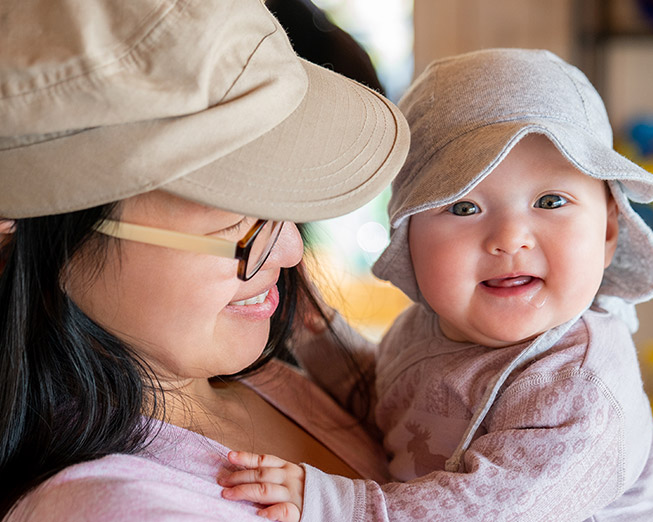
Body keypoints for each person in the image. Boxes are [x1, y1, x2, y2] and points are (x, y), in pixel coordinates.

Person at [219, 49, 653, 521]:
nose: (510, 239)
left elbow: (492, 510)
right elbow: (386, 399)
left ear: (607, 232)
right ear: (409, 241)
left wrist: (338, 505)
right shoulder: (420, 331)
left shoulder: (581, 383)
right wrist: (320, 336)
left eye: (550, 200)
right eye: (464, 207)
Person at [0, 0, 409, 520]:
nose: (289, 252)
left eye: (285, 205)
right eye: (237, 221)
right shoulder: (117, 507)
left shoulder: (257, 374)